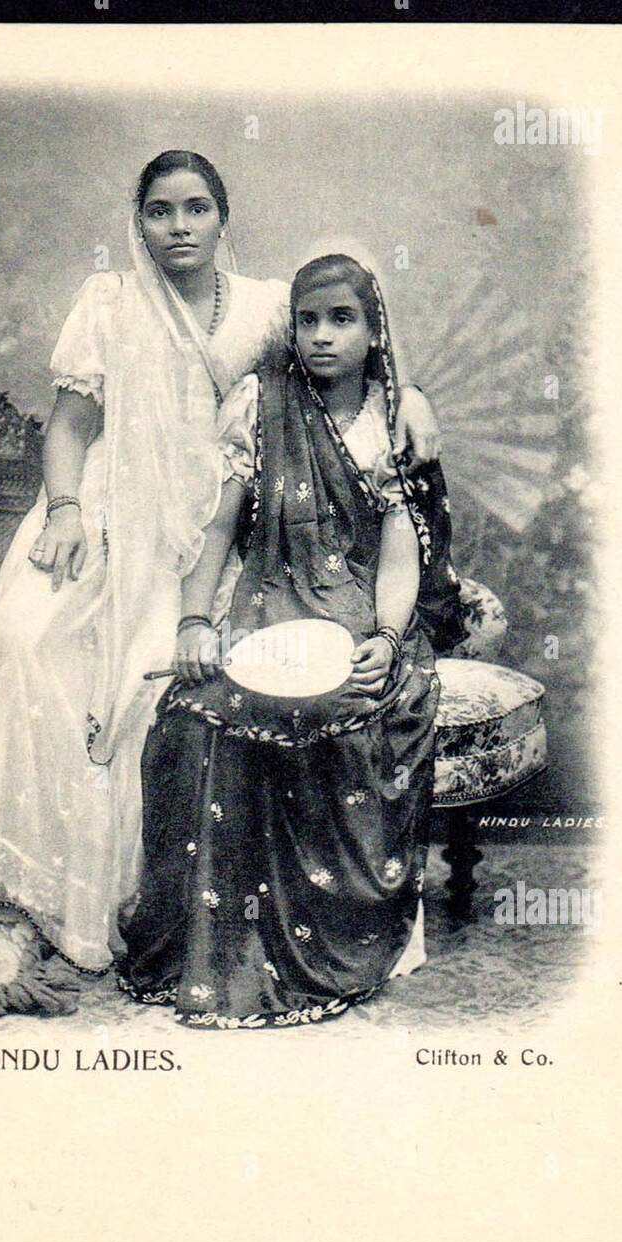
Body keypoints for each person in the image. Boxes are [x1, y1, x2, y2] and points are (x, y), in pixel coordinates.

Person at [0, 152, 442, 975]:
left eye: (196, 209)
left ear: (222, 218)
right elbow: (67, 426)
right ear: (139, 221)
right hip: (108, 511)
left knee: (152, 678)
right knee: (26, 636)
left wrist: (413, 401)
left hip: (220, 528)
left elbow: (356, 354)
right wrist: (62, 511)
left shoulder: (269, 309)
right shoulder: (109, 303)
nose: (179, 227)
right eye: (160, 211)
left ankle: (140, 896)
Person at [116, 253, 464, 1027]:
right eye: (307, 320)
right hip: (269, 605)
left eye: (342, 320)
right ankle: (210, 941)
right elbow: (217, 528)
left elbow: (402, 544)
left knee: (341, 712)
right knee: (193, 712)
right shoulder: (260, 404)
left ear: (375, 332)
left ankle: (328, 935)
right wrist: (195, 623)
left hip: (362, 614)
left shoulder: (388, 417)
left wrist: (383, 635)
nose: (321, 336)